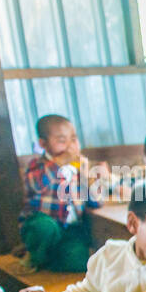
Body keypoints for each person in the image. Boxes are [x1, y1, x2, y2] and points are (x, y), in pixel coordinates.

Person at [20, 113, 100, 272]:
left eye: (74, 139)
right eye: (62, 140)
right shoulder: (37, 166)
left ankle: (50, 259)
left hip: (69, 230)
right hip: (42, 225)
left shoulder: (78, 167)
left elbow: (94, 202)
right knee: (45, 227)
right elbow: (35, 184)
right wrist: (59, 162)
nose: (70, 145)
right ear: (43, 144)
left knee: (79, 261)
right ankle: (34, 257)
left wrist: (86, 177)